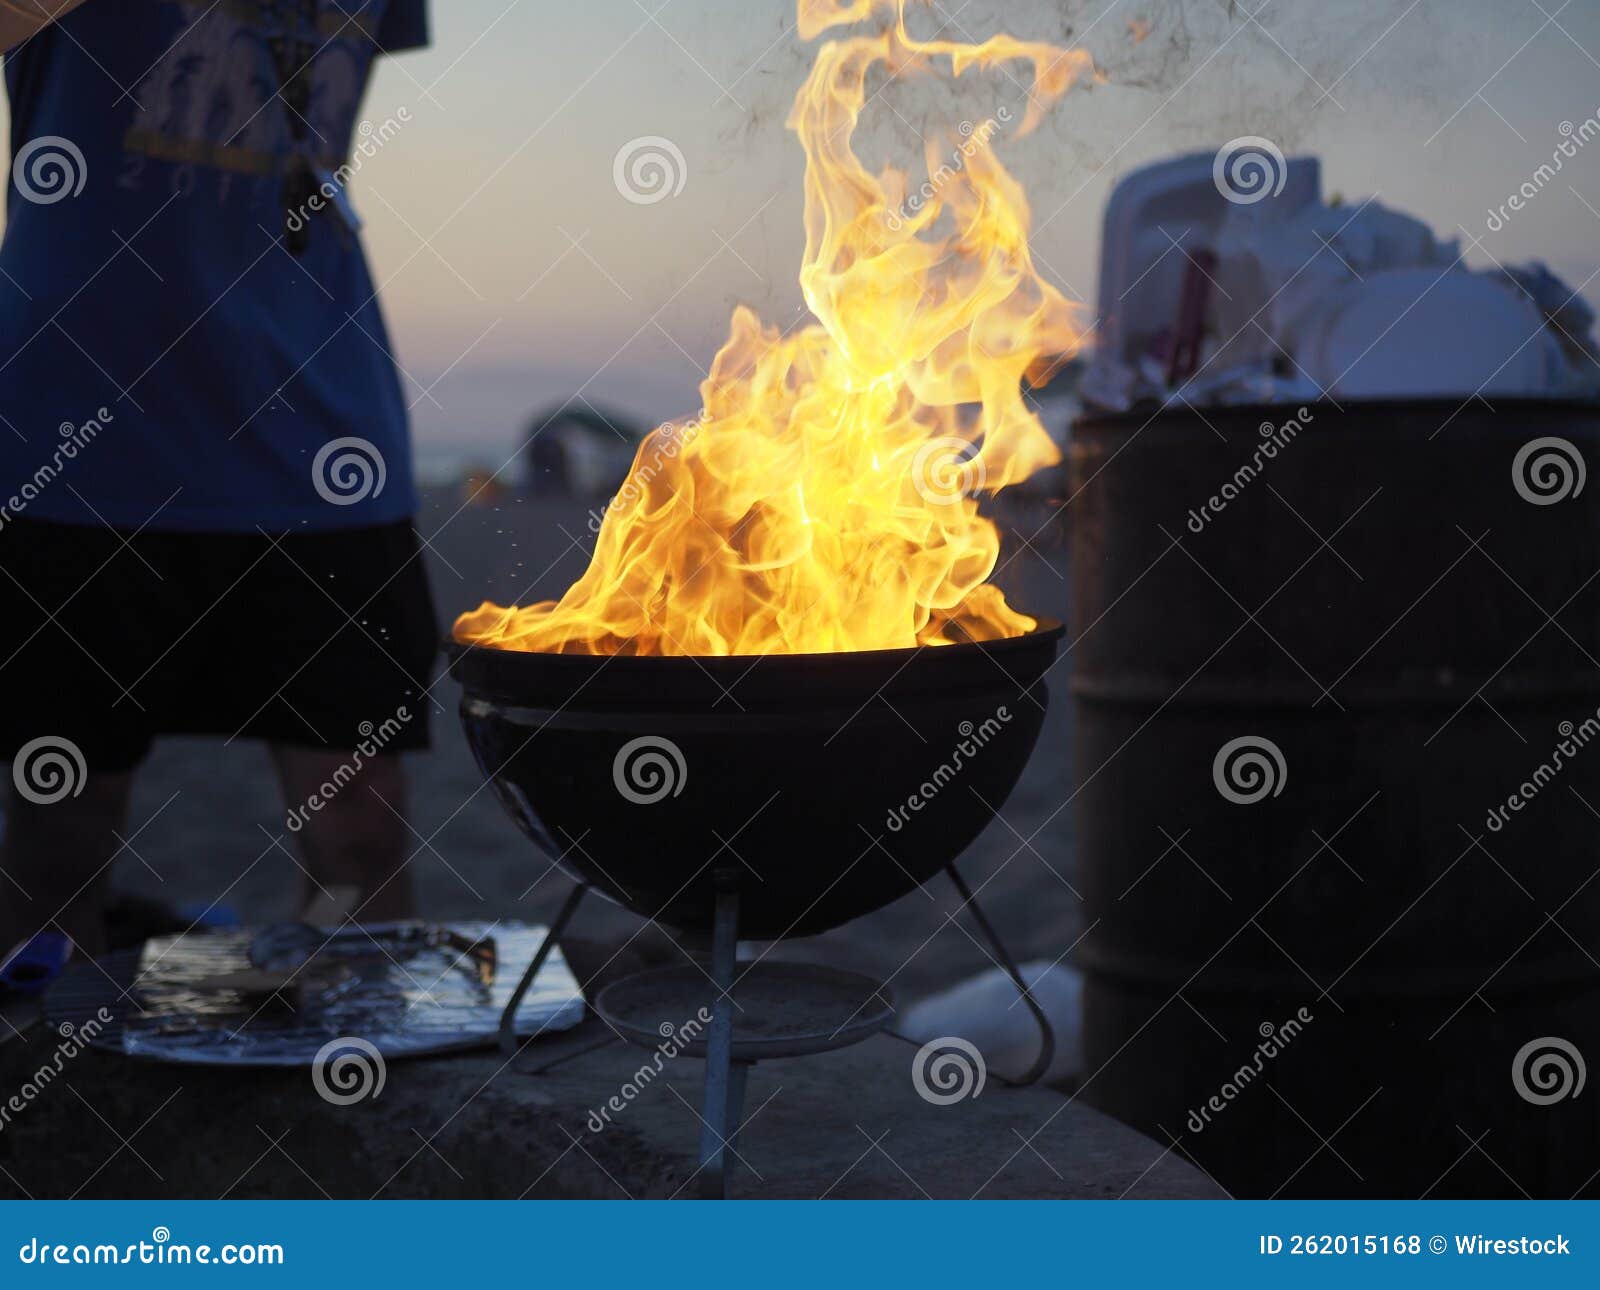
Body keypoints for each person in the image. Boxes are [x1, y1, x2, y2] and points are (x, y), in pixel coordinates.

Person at [0, 1, 437, 956]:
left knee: (360, 829)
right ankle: (39, 1088)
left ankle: (351, 1086)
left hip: (323, 434)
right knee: (57, 836)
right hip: (81, 438)